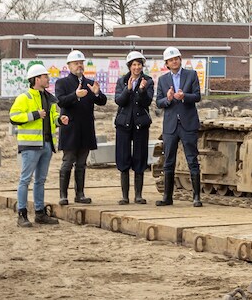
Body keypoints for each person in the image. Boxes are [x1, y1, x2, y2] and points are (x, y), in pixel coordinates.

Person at [9, 64, 69, 227]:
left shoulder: (49, 99)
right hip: (30, 146)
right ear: (37, 79)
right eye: (45, 77)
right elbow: (13, 117)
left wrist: (59, 120)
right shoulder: (25, 98)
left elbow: (53, 117)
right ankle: (22, 214)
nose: (48, 79)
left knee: (40, 180)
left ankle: (39, 213)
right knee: (25, 179)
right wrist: (35, 115)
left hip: (46, 144)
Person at [54, 49, 107, 205]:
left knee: (82, 163)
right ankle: (63, 195)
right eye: (76, 63)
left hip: (86, 129)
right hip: (70, 129)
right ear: (69, 65)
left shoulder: (89, 83)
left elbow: (102, 102)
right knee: (68, 161)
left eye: (81, 63)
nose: (79, 66)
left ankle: (80, 194)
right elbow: (61, 101)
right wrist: (76, 95)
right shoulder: (62, 83)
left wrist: (97, 94)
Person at [155, 46, 203, 207]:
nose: (174, 62)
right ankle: (167, 197)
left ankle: (196, 197)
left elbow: (197, 96)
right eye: (171, 60)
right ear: (166, 64)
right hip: (170, 126)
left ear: (180, 59)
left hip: (187, 123)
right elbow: (158, 102)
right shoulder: (163, 80)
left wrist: (184, 97)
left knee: (192, 159)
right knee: (169, 161)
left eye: (176, 59)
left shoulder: (191, 75)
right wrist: (168, 99)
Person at [114, 50, 154, 205]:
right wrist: (128, 89)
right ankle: (125, 195)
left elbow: (147, 102)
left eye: (139, 64)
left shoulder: (148, 81)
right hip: (124, 124)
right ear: (129, 66)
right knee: (123, 157)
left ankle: (138, 194)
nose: (136, 68)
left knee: (140, 157)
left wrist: (142, 90)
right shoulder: (122, 81)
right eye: (134, 65)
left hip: (140, 124)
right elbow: (119, 101)